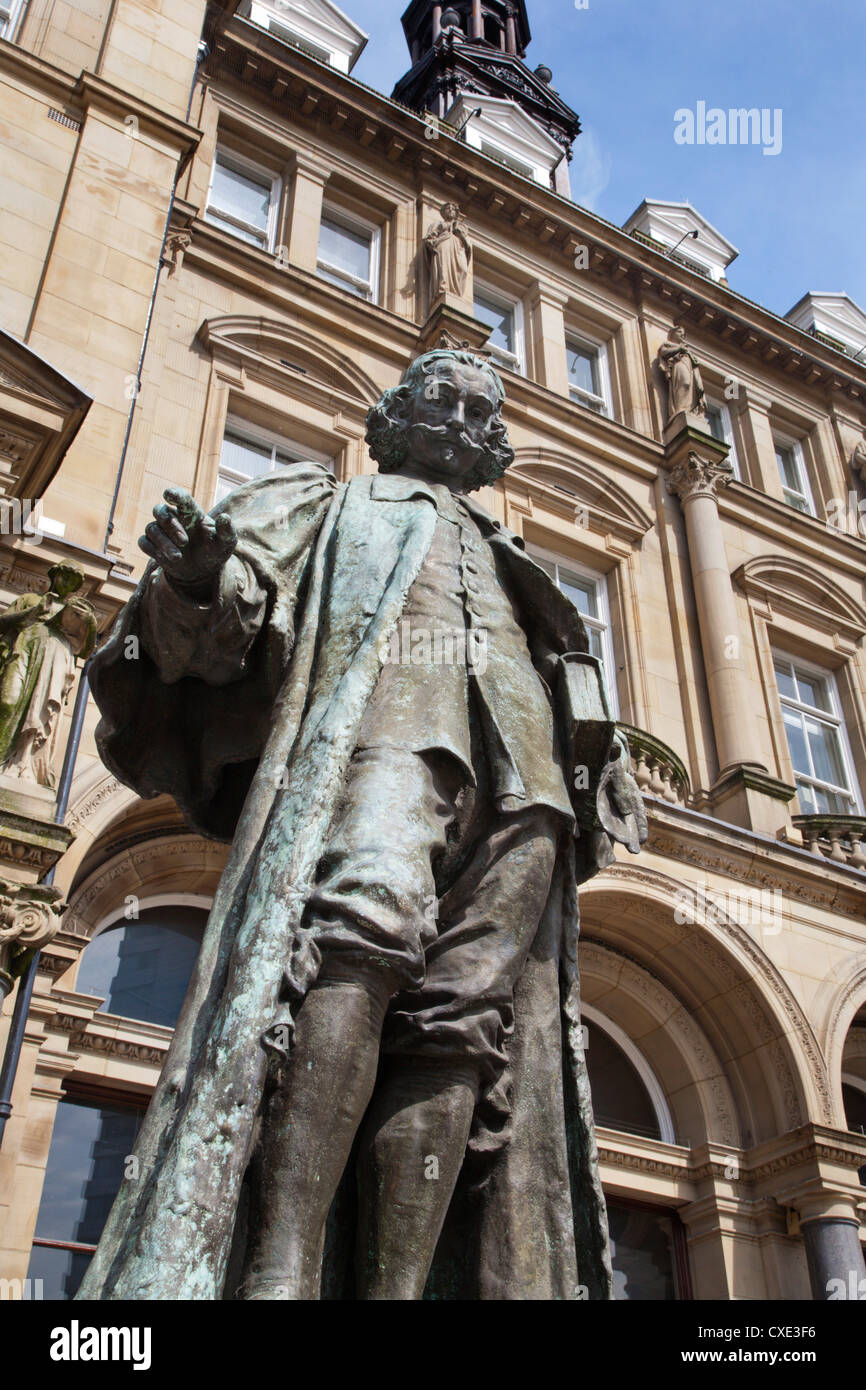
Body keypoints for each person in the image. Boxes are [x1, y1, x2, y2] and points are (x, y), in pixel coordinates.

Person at [79, 349, 645, 1302]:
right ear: (397, 414)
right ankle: (281, 1266)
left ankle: (398, 1286)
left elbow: (564, 683)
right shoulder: (336, 502)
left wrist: (605, 762)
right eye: (445, 398)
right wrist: (196, 580)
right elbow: (231, 617)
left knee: (464, 1025)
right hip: (389, 737)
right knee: (354, 946)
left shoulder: (519, 562)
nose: (466, 417)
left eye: (483, 408)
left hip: (528, 790)